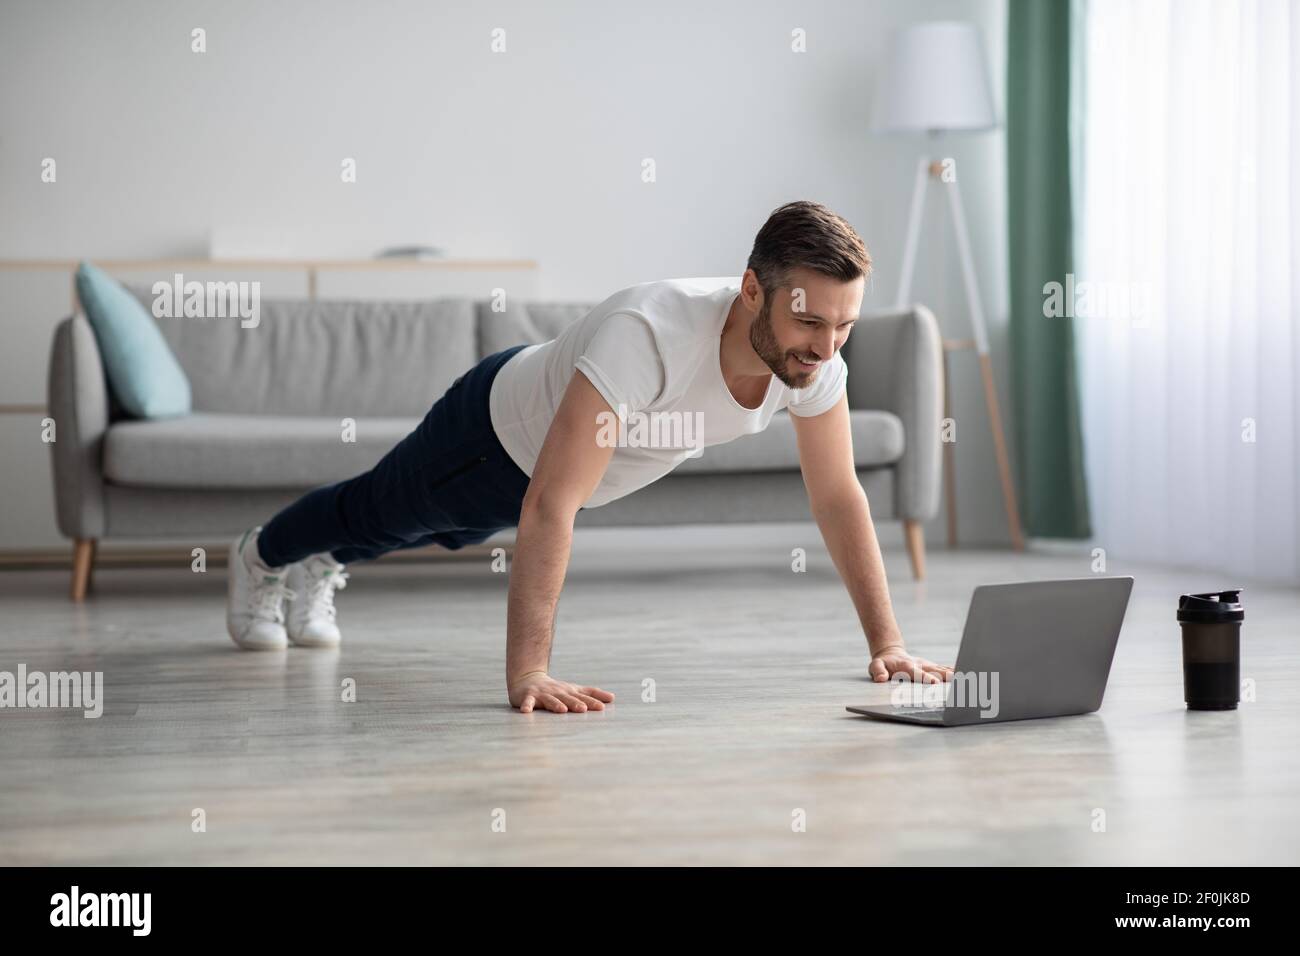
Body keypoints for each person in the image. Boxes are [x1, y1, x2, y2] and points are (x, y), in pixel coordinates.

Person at [225, 200, 954, 713]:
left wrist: (887, 644)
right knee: (379, 514)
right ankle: (261, 556)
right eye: (808, 320)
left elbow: (836, 496)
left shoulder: (814, 363)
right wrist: (529, 673)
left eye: (844, 326)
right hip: (487, 438)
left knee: (436, 535)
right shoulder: (650, 333)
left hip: (533, 468)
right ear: (752, 290)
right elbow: (551, 502)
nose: (826, 349)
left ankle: (326, 560)